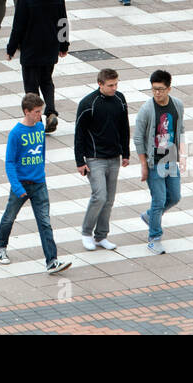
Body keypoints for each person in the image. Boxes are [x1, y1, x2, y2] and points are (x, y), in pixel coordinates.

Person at [0, 93, 70, 273]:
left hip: (39, 183)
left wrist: (41, 173)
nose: (40, 115)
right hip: (21, 184)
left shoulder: (39, 128)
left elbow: (42, 152)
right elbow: (10, 162)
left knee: (45, 222)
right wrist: (17, 187)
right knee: (9, 217)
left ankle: (52, 261)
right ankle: (1, 247)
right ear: (26, 112)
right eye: (37, 112)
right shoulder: (16, 133)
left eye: (41, 111)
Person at [5, 0, 70, 133]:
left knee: (31, 86)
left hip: (30, 49)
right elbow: (63, 21)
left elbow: (18, 26)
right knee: (47, 81)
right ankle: (51, 111)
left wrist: (11, 48)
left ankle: (37, 119)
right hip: (50, 47)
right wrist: (64, 46)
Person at [74, 68, 129, 252]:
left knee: (109, 199)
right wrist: (79, 161)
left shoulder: (120, 99)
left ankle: (101, 236)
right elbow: (79, 134)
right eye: (110, 85)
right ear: (100, 84)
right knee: (100, 196)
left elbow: (124, 127)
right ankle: (86, 232)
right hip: (94, 158)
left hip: (114, 157)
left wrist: (126, 153)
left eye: (116, 84)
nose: (114, 88)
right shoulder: (88, 103)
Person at [136, 69, 186, 255]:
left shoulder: (178, 105)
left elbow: (180, 128)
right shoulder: (147, 109)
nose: (157, 93)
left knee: (174, 197)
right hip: (154, 161)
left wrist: (182, 155)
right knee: (158, 200)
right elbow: (138, 138)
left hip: (171, 159)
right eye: (154, 89)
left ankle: (150, 217)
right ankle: (154, 237)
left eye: (161, 89)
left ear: (169, 89)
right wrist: (143, 164)